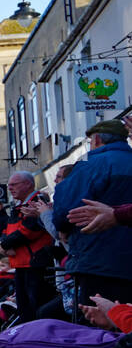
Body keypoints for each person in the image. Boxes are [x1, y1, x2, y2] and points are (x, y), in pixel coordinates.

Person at [53, 119, 132, 310]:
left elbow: (65, 209)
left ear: (96, 139)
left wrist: (61, 226)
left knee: (101, 326)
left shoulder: (92, 164)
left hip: (100, 259)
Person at [0, 171, 55, 322]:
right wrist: (3, 243)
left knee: (36, 305)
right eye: (9, 185)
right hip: (22, 263)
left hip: (35, 262)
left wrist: (3, 244)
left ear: (28, 184)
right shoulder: (19, 205)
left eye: (14, 184)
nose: (10, 188)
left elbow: (29, 230)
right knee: (24, 306)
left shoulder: (38, 201)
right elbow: (8, 229)